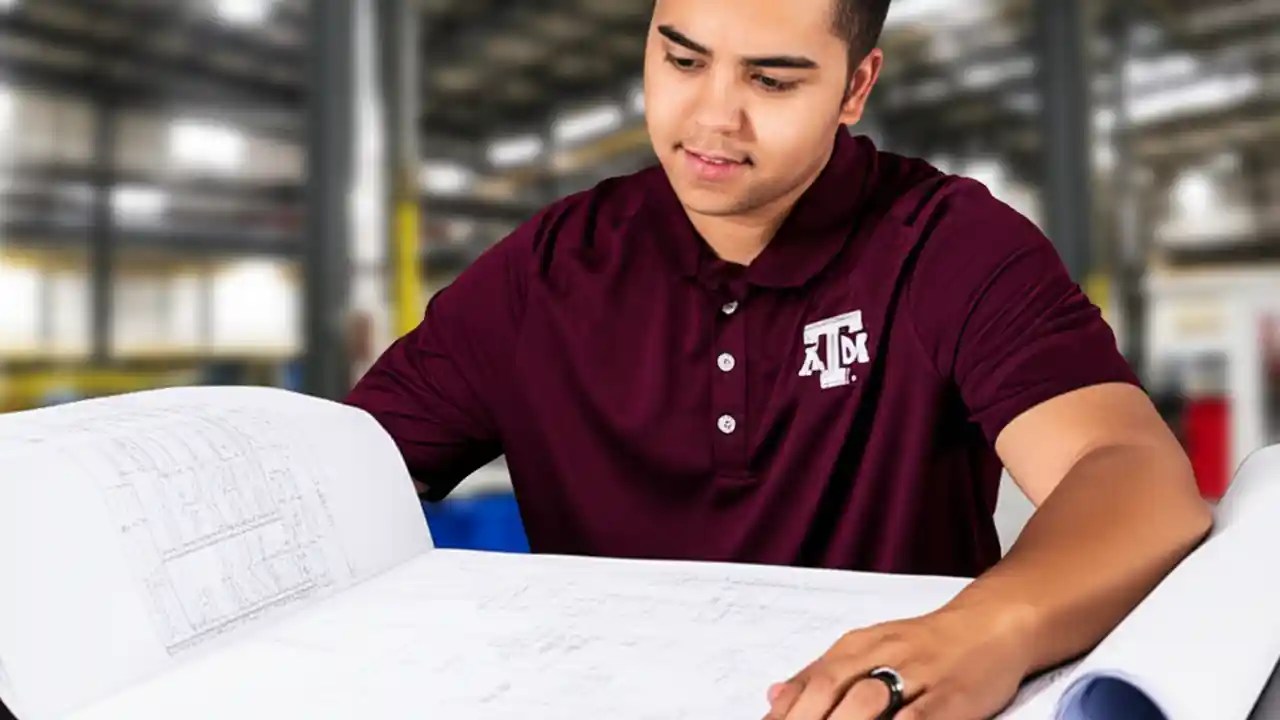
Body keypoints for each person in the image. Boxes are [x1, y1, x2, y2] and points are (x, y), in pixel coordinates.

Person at [343, 0, 1213, 717]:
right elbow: (332, 477)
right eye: (682, 61)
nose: (713, 117)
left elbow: (1131, 471)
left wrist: (991, 627)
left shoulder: (947, 246)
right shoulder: (546, 271)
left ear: (854, 87)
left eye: (770, 78)